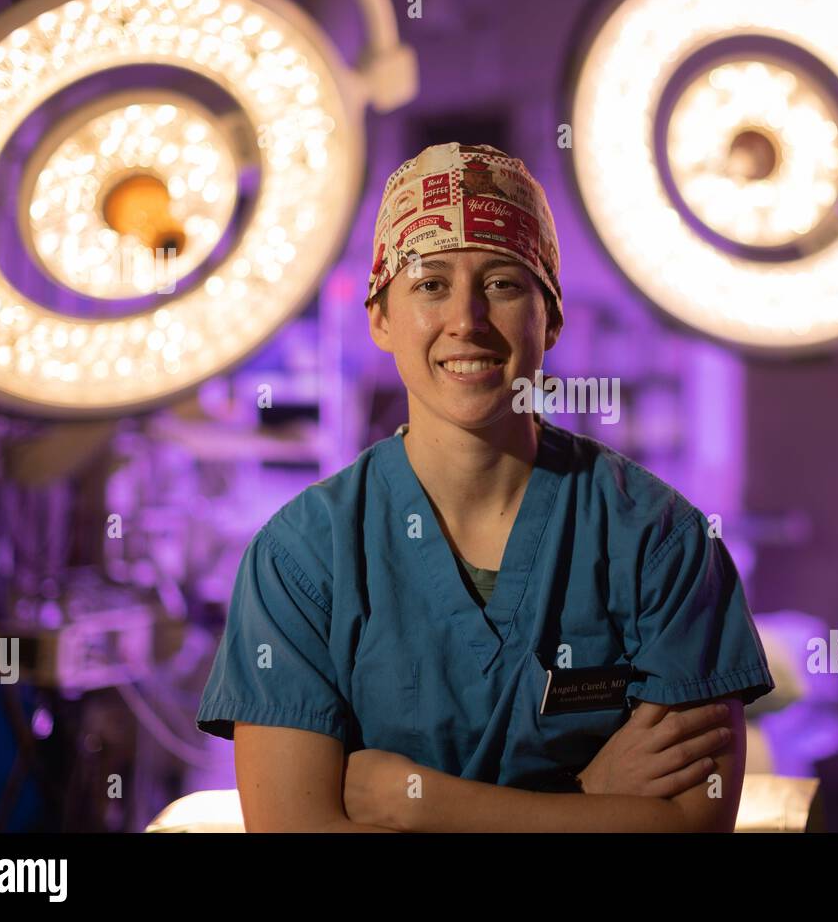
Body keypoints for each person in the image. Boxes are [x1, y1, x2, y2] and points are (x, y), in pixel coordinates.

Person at [196, 142, 775, 832]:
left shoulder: (659, 540)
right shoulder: (302, 558)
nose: (466, 321)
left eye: (502, 283)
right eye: (430, 284)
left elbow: (689, 827)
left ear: (551, 318)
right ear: (380, 317)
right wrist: (585, 804)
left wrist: (422, 801)